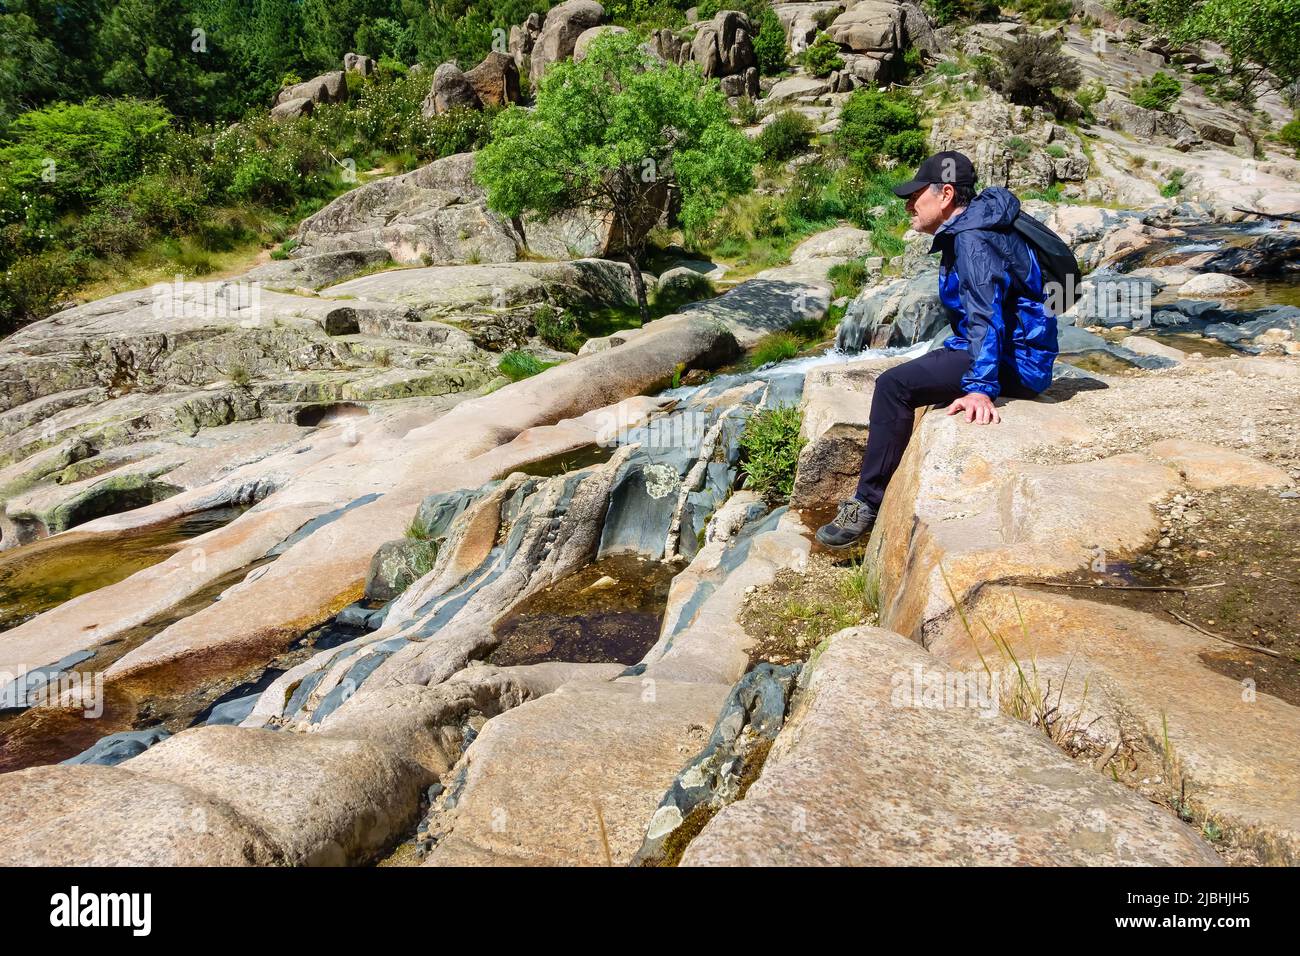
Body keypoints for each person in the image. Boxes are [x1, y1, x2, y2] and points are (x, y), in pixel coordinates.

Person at [816, 150, 1058, 548]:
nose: (908, 205)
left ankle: (867, 504)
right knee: (919, 369)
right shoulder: (981, 224)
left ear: (945, 194)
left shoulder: (973, 239)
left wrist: (980, 386)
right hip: (1018, 350)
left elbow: (985, 314)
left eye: (915, 196)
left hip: (1018, 361)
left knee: (894, 386)